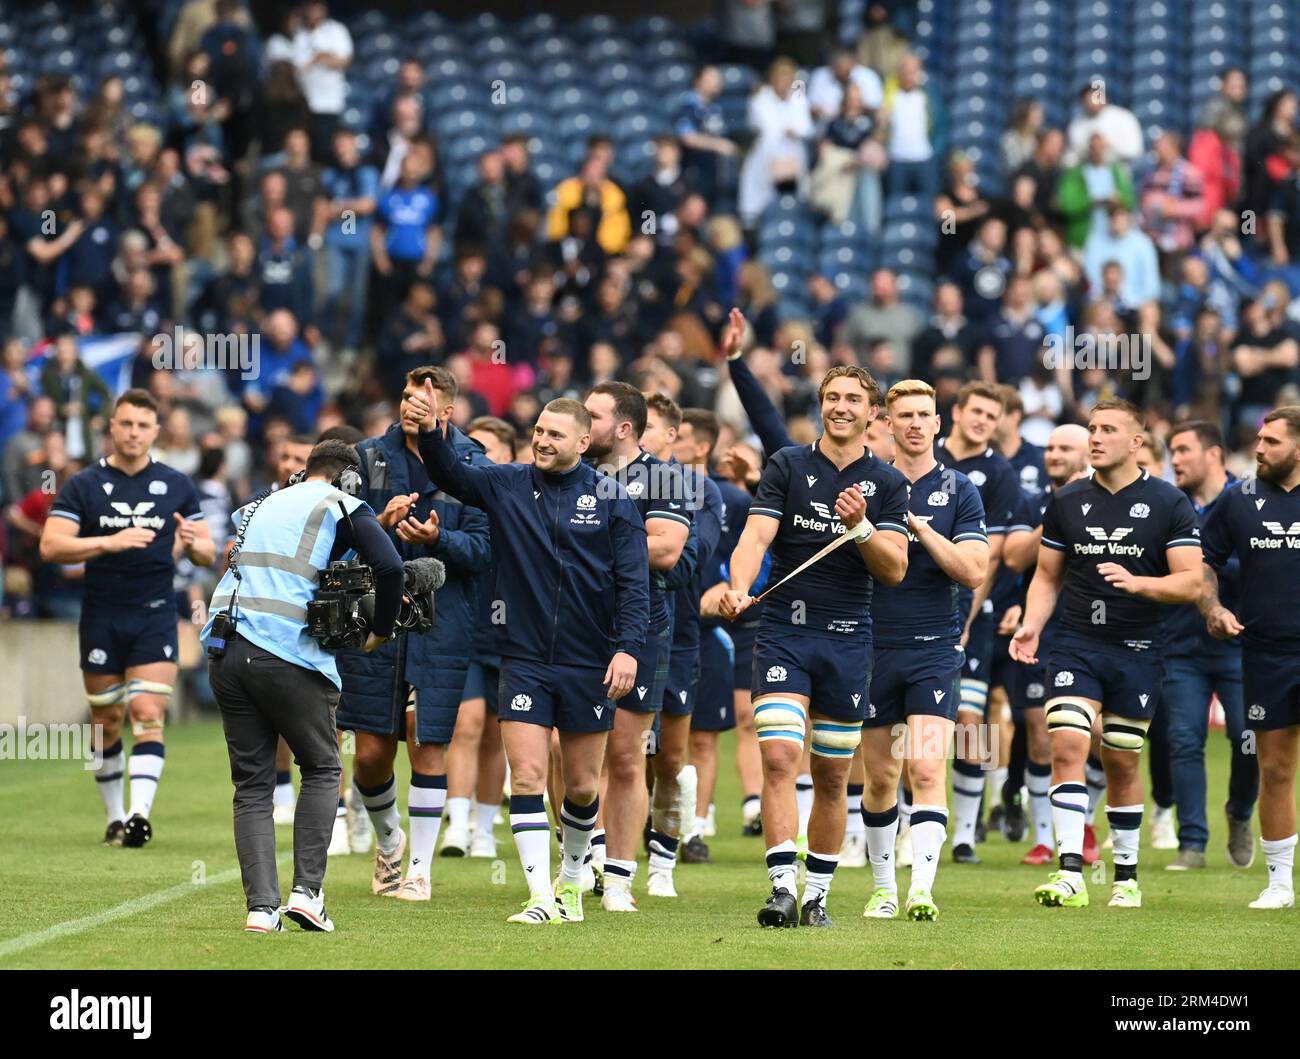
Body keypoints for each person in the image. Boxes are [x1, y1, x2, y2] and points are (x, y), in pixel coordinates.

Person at [410, 381, 649, 925]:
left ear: (584, 442)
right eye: (538, 430)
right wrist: (430, 430)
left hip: (591, 661)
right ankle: (541, 896)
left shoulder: (615, 503)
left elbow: (636, 587)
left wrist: (628, 650)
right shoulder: (508, 483)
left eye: (554, 434)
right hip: (523, 659)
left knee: (585, 784)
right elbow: (451, 473)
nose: (540, 441)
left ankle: (570, 878)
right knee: (527, 776)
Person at [720, 364, 910, 929]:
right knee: (779, 755)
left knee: (832, 774)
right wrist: (736, 585)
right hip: (783, 634)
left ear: (873, 413)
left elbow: (895, 569)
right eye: (832, 397)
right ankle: (781, 886)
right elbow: (755, 537)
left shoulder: (890, 483)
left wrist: (864, 527)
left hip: (849, 640)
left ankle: (817, 896)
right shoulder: (787, 465)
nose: (841, 406)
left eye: (854, 398)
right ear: (821, 404)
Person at [201, 439, 404, 933]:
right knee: (320, 766)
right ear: (348, 479)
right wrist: (381, 628)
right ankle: (307, 894)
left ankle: (260, 909)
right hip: (284, 650)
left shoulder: (260, 503)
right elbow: (393, 567)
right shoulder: (340, 502)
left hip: (226, 648)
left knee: (251, 785)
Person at [1011, 399, 1203, 910]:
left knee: (1120, 760)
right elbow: (1047, 576)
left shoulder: (1168, 502)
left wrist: (1141, 583)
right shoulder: (1068, 500)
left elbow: (1191, 580)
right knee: (1068, 742)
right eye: (1092, 428)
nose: (1095, 437)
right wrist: (1032, 626)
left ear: (1136, 442)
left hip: (1138, 649)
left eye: (1108, 430)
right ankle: (1070, 871)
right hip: (1075, 645)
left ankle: (1126, 876)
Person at [335, 367, 491, 902]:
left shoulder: (475, 465)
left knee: (429, 743)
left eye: (424, 401)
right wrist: (376, 522)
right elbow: (334, 544)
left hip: (444, 621)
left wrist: (438, 537)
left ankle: (419, 872)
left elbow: (484, 551)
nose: (411, 407)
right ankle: (389, 841)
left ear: (447, 412)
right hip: (375, 619)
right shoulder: (361, 458)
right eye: (405, 396)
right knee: (373, 752)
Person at [40, 390, 215, 849]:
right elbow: (51, 546)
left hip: (156, 613)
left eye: (143, 425)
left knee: (147, 712)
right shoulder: (83, 484)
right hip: (101, 614)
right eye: (126, 424)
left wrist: (193, 543)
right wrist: (107, 542)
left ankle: (139, 814)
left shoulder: (177, 484)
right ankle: (115, 816)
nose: (134, 432)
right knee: (107, 721)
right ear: (111, 428)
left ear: (155, 432)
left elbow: (208, 551)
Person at [862, 379, 989, 921]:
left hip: (934, 647)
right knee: (880, 778)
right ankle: (884, 888)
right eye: (904, 415)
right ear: (886, 425)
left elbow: (974, 569)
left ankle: (922, 891)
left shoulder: (960, 489)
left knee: (928, 769)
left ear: (939, 423)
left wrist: (920, 531)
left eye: (924, 414)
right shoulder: (867, 485)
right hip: (869, 645)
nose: (915, 423)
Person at [582, 382, 693, 910]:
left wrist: (582, 541)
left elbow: (667, 549)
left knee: (626, 756)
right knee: (570, 750)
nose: (582, 424)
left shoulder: (666, 477)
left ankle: (621, 877)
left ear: (623, 428)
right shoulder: (570, 471)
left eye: (593, 416)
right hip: (573, 625)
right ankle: (581, 860)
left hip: (640, 625)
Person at [1199, 406, 1300, 909]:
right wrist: (1213, 606)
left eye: (1272, 442)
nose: (1259, 449)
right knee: (1275, 769)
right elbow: (1204, 564)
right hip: (1267, 653)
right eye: (1259, 439)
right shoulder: (1237, 500)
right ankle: (1280, 884)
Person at [1160, 420, 1257, 870]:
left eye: (1183, 450)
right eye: (1172, 452)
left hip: (1242, 642)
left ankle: (1239, 813)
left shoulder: (1249, 501)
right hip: (1181, 643)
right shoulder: (1167, 504)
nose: (1174, 460)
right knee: (1183, 740)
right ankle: (1192, 842)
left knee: (1247, 737)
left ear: (1214, 454)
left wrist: (1206, 571)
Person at [639, 393, 723, 891]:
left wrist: (626, 566)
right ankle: (599, 860)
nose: (637, 434)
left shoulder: (700, 490)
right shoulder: (609, 482)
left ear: (673, 435)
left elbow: (689, 561)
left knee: (670, 755)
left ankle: (663, 861)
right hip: (614, 631)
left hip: (680, 633)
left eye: (647, 427)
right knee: (618, 753)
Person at [936, 382, 1021, 863]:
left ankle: (965, 833)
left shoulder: (999, 472)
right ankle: (907, 822)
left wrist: (965, 617)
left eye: (993, 415)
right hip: (914, 612)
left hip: (973, 615)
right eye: (977, 411)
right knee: (911, 725)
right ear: (957, 412)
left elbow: (986, 562)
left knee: (970, 722)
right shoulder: (927, 458)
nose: (983, 421)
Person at [1002, 424, 1092, 865]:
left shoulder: (1106, 499)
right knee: (1040, 730)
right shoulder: (1034, 500)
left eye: (1065, 448)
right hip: (1040, 628)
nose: (1053, 454)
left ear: (1087, 454)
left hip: (1093, 631)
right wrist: (1059, 512)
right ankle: (1046, 838)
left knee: (1098, 735)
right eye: (1051, 447)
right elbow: (1016, 557)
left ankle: (1087, 825)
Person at [442, 416, 516, 859]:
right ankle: (457, 823)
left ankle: (485, 827)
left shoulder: (526, 500)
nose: (477, 461)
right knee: (465, 724)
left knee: (496, 733)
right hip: (469, 626)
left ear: (508, 457)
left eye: (488, 451)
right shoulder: (461, 501)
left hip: (512, 634)